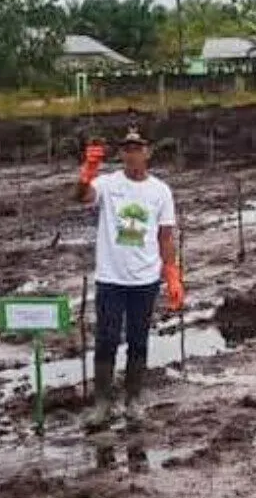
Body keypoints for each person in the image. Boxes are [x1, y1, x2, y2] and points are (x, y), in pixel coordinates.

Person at [74, 127, 182, 429]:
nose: (132, 153)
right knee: (106, 340)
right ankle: (102, 403)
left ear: (148, 152)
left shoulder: (160, 191)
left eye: (138, 148)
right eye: (127, 149)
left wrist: (171, 274)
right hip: (111, 278)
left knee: (138, 340)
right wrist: (88, 171)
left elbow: (165, 236)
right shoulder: (108, 184)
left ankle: (133, 399)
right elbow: (82, 197)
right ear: (121, 154)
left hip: (144, 280)